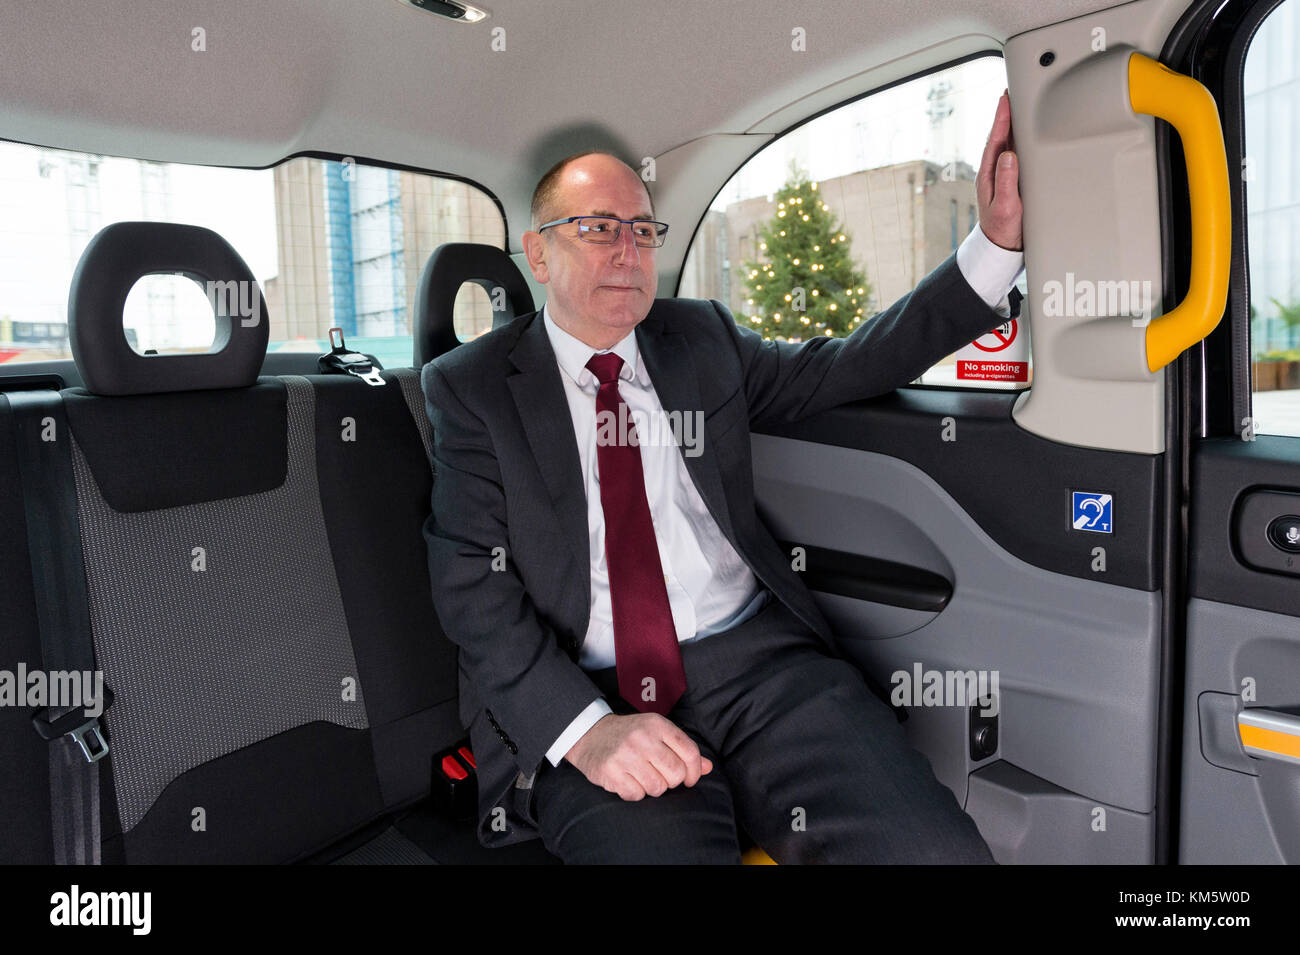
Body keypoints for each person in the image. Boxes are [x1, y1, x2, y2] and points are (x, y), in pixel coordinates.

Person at [422, 93, 1024, 863]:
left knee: (931, 854)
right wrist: (587, 732)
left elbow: (849, 363)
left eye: (643, 231)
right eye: (598, 228)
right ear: (538, 256)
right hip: (590, 687)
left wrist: (995, 246)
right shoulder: (472, 389)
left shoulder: (700, 340)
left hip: (762, 670)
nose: (627, 250)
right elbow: (473, 591)